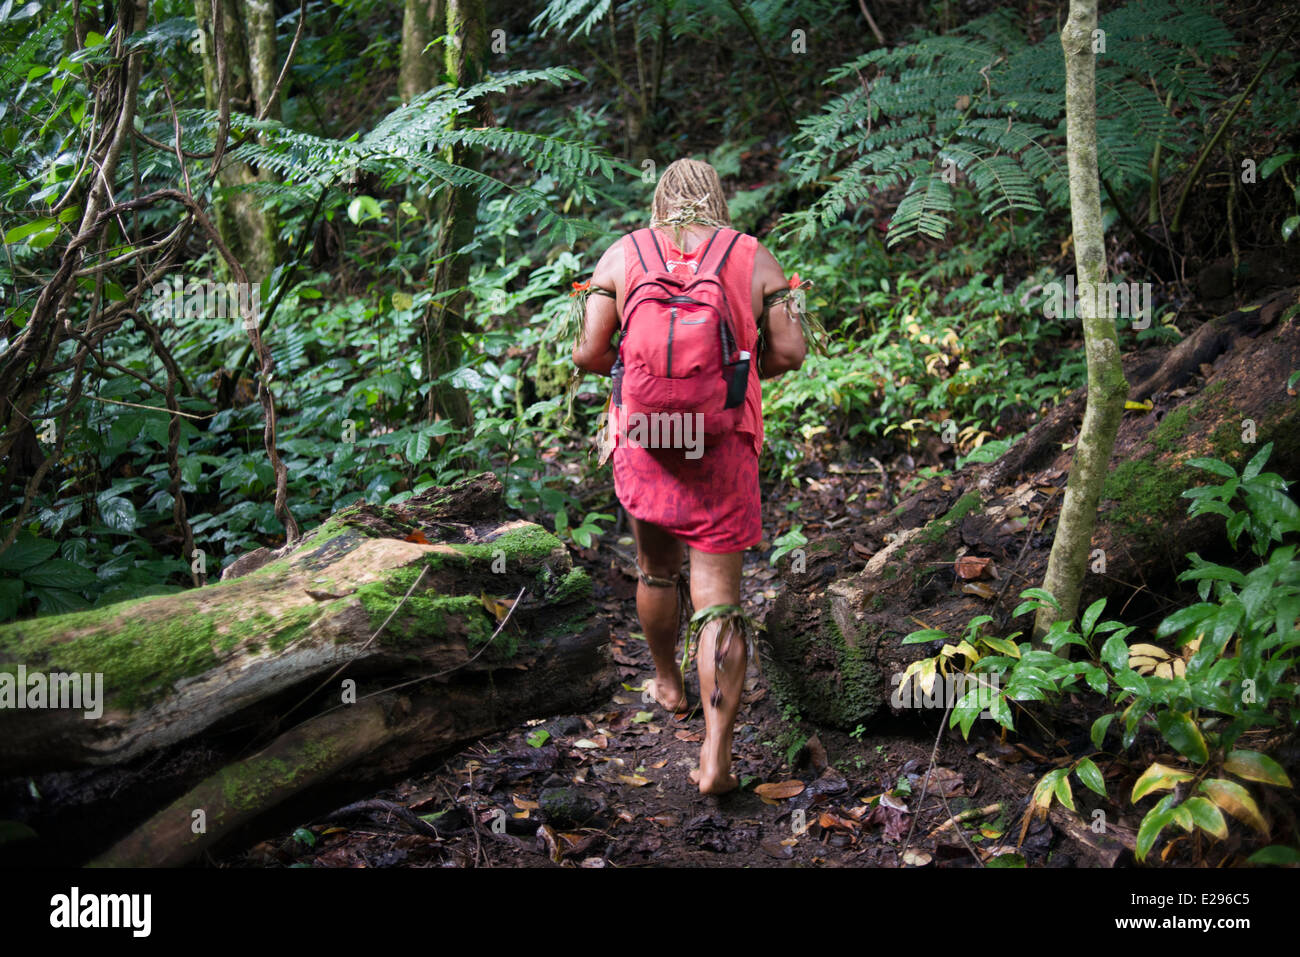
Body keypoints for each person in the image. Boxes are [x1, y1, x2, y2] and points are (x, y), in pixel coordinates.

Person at [572, 158, 806, 794]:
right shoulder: (752, 255)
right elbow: (789, 350)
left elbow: (590, 353)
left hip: (647, 437)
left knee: (655, 569)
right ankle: (715, 759)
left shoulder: (624, 253)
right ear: (718, 199)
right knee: (719, 599)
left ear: (659, 198)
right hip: (721, 440)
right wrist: (735, 381)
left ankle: (667, 682)